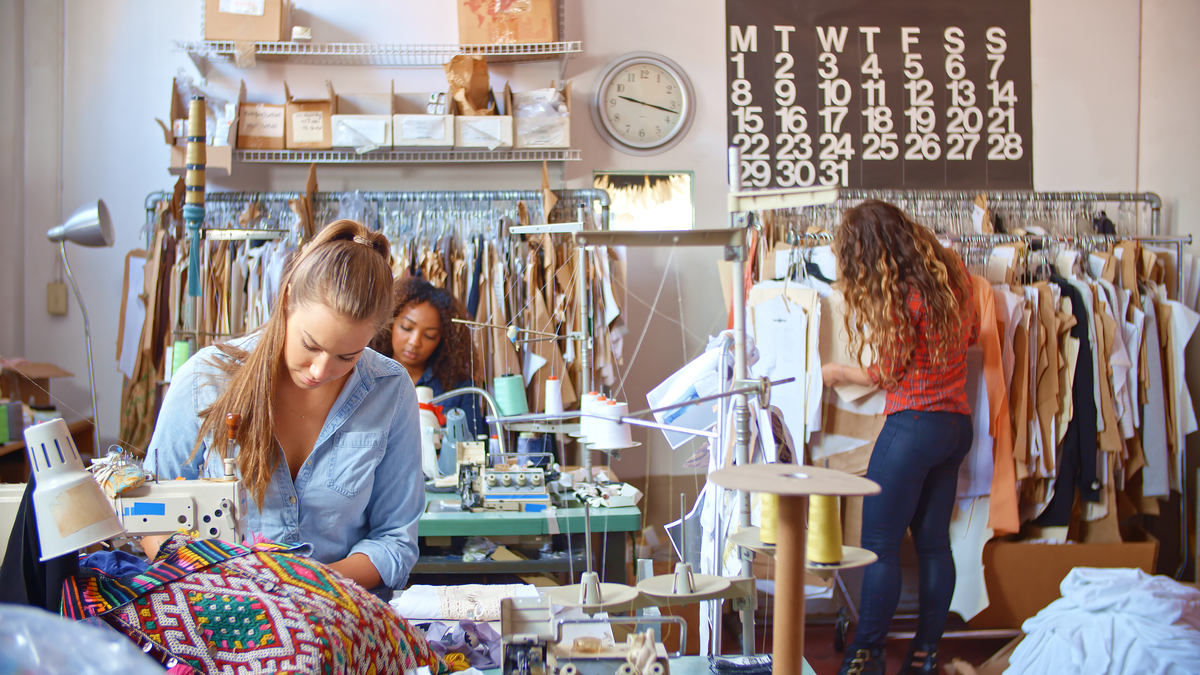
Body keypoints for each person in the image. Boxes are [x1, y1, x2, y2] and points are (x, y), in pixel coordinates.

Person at [144, 220, 424, 594]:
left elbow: (394, 539)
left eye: (347, 356)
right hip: (218, 611)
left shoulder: (390, 390)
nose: (321, 371)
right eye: (310, 345)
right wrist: (217, 586)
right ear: (287, 299)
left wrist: (306, 586)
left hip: (336, 616)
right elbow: (151, 518)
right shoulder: (205, 380)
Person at [821, 200, 980, 675]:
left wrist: (834, 372)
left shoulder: (903, 295)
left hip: (912, 426)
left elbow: (885, 373)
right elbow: (969, 340)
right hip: (956, 427)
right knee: (934, 545)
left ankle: (865, 656)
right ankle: (926, 653)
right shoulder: (954, 280)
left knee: (880, 547)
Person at [370, 276, 487, 439]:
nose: (415, 342)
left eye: (429, 336)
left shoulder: (458, 389)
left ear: (442, 340)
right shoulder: (366, 376)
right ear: (390, 323)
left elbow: (472, 448)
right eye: (407, 328)